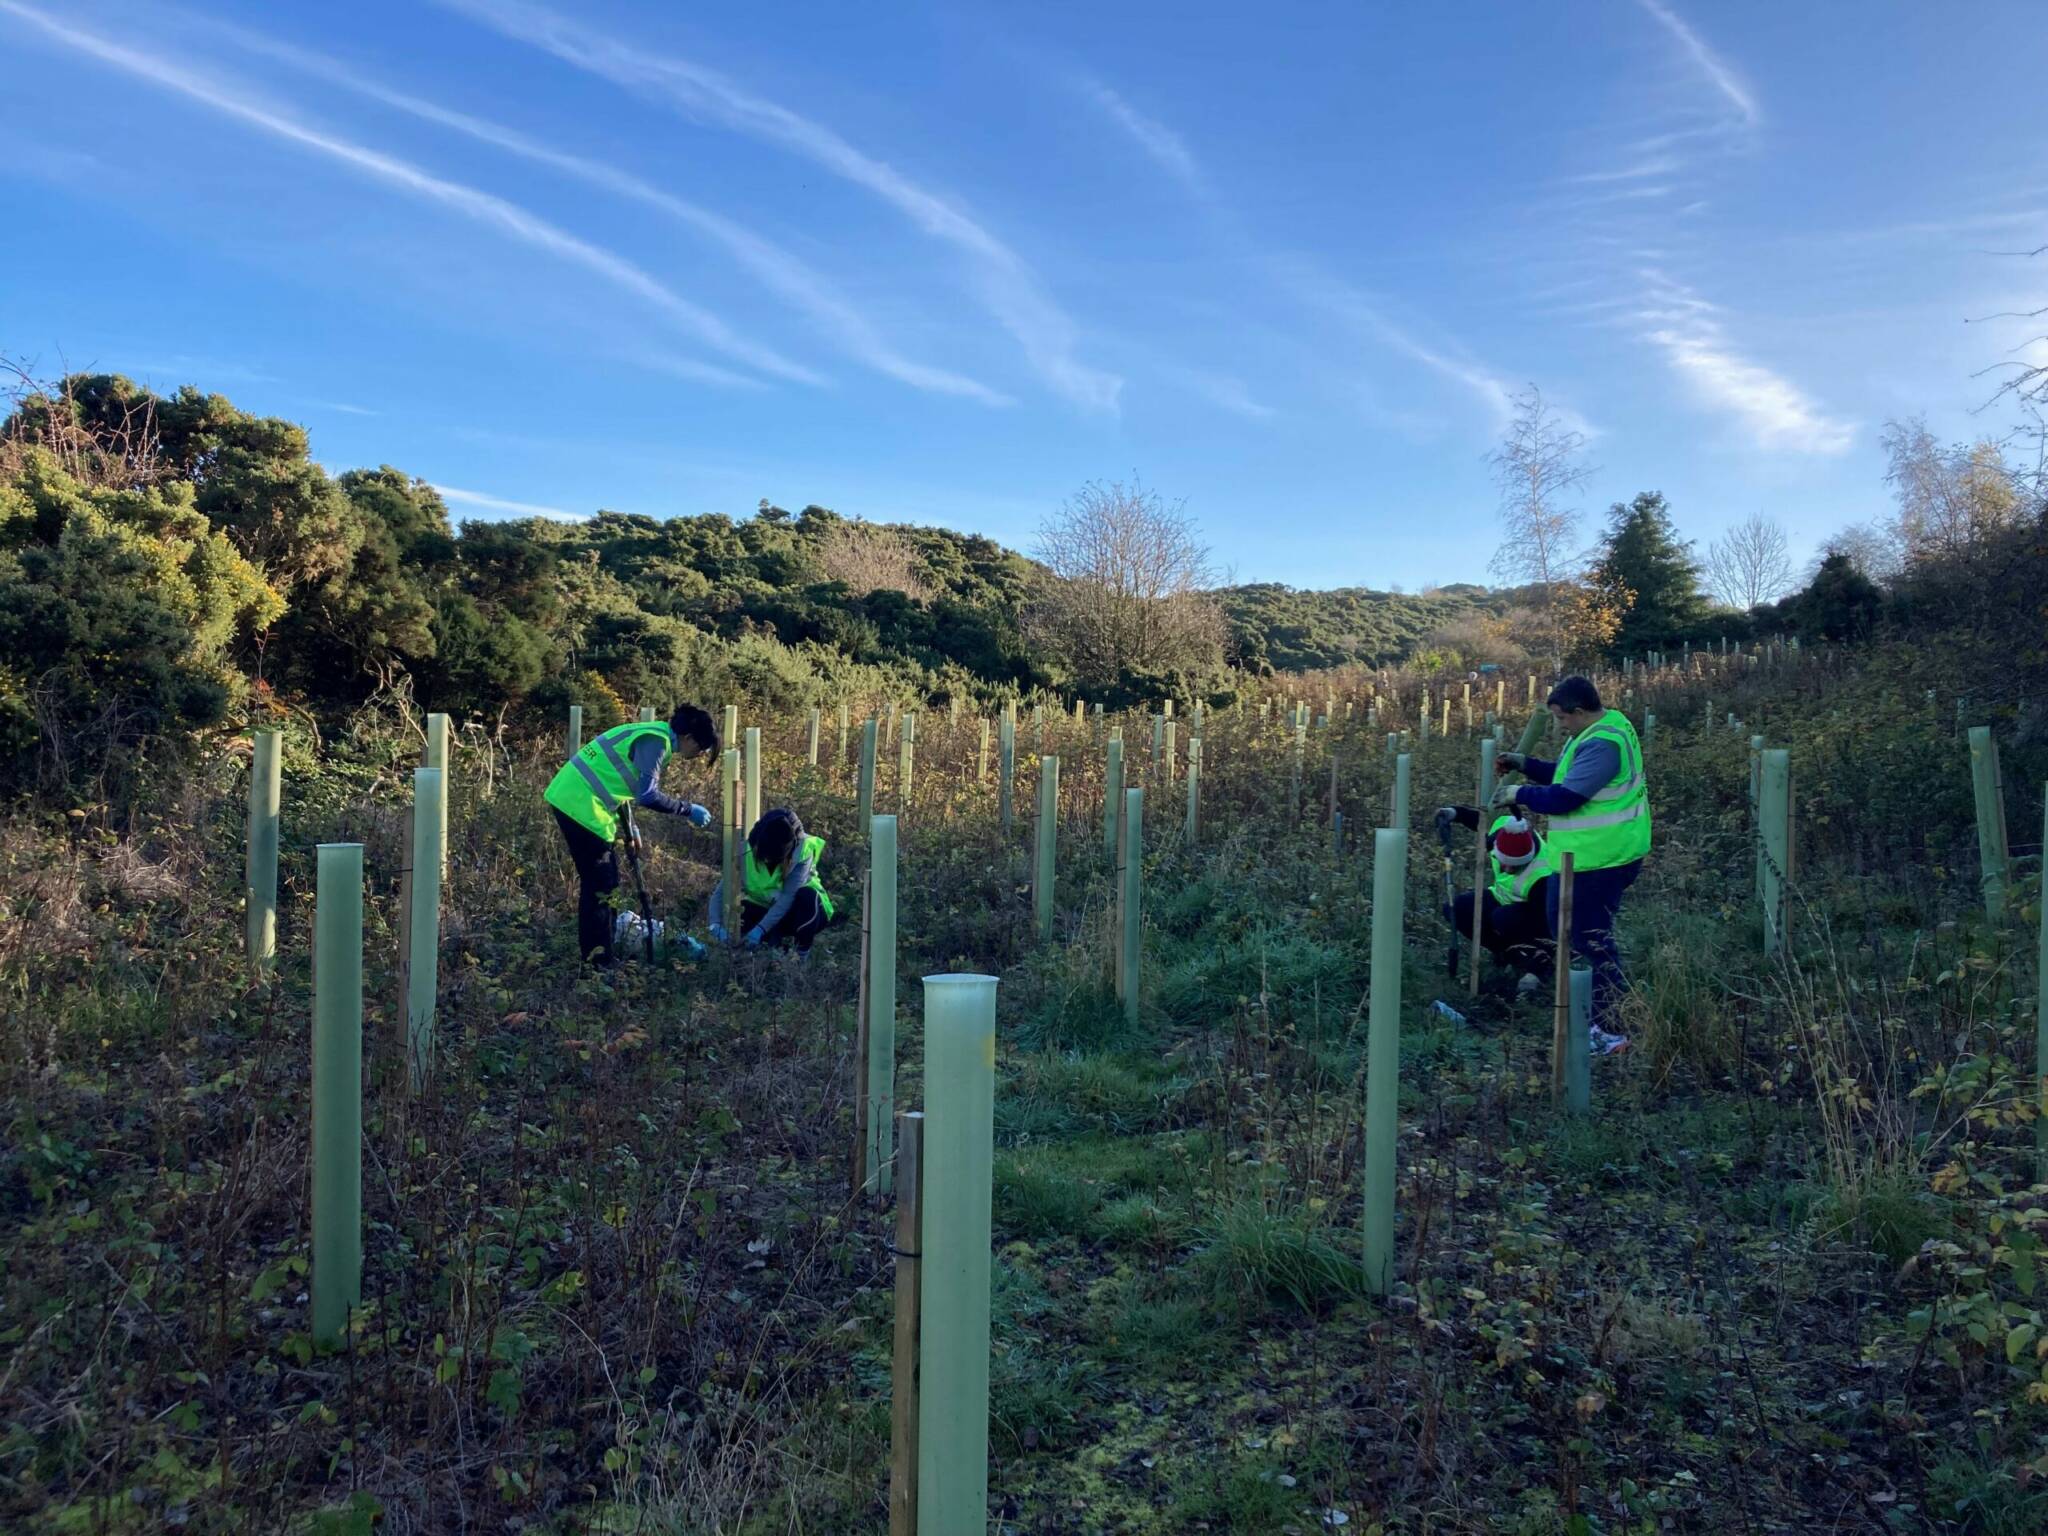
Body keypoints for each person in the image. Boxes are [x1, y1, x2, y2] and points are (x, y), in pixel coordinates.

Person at [1495, 675, 1650, 1056]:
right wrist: (1527, 765)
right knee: (1577, 935)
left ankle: (1609, 1029)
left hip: (1600, 860)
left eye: (1563, 718)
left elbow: (1567, 796)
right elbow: (1568, 775)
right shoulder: (1596, 731)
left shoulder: (1603, 743)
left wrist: (1520, 793)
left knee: (1594, 943)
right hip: (1587, 856)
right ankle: (1591, 1015)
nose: (1560, 725)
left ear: (1579, 712)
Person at [544, 705, 719, 965]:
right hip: (581, 805)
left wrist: (632, 829)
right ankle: (598, 963)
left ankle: (603, 953)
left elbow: (621, 780)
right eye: (701, 749)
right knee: (601, 888)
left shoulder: (653, 734)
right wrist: (687, 809)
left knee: (606, 885)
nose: (699, 755)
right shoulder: (656, 742)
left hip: (574, 799)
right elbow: (647, 795)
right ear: (689, 738)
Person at [1432, 806, 1557, 989]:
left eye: (1513, 867)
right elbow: (1481, 821)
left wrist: (1536, 971)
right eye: (1503, 862)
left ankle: (1534, 963)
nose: (1505, 869)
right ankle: (1506, 955)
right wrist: (1455, 813)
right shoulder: (1502, 830)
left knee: (1503, 918)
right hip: (1501, 897)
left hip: (1529, 913)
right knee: (1457, 909)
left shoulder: (1543, 877)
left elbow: (1548, 930)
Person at [708, 808, 836, 954]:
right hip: (766, 908)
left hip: (799, 911)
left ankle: (801, 954)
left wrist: (760, 929)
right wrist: (715, 925)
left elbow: (787, 898)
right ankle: (772, 950)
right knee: (740, 915)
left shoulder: (802, 852)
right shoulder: (746, 850)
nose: (767, 862)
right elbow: (721, 892)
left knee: (807, 898)